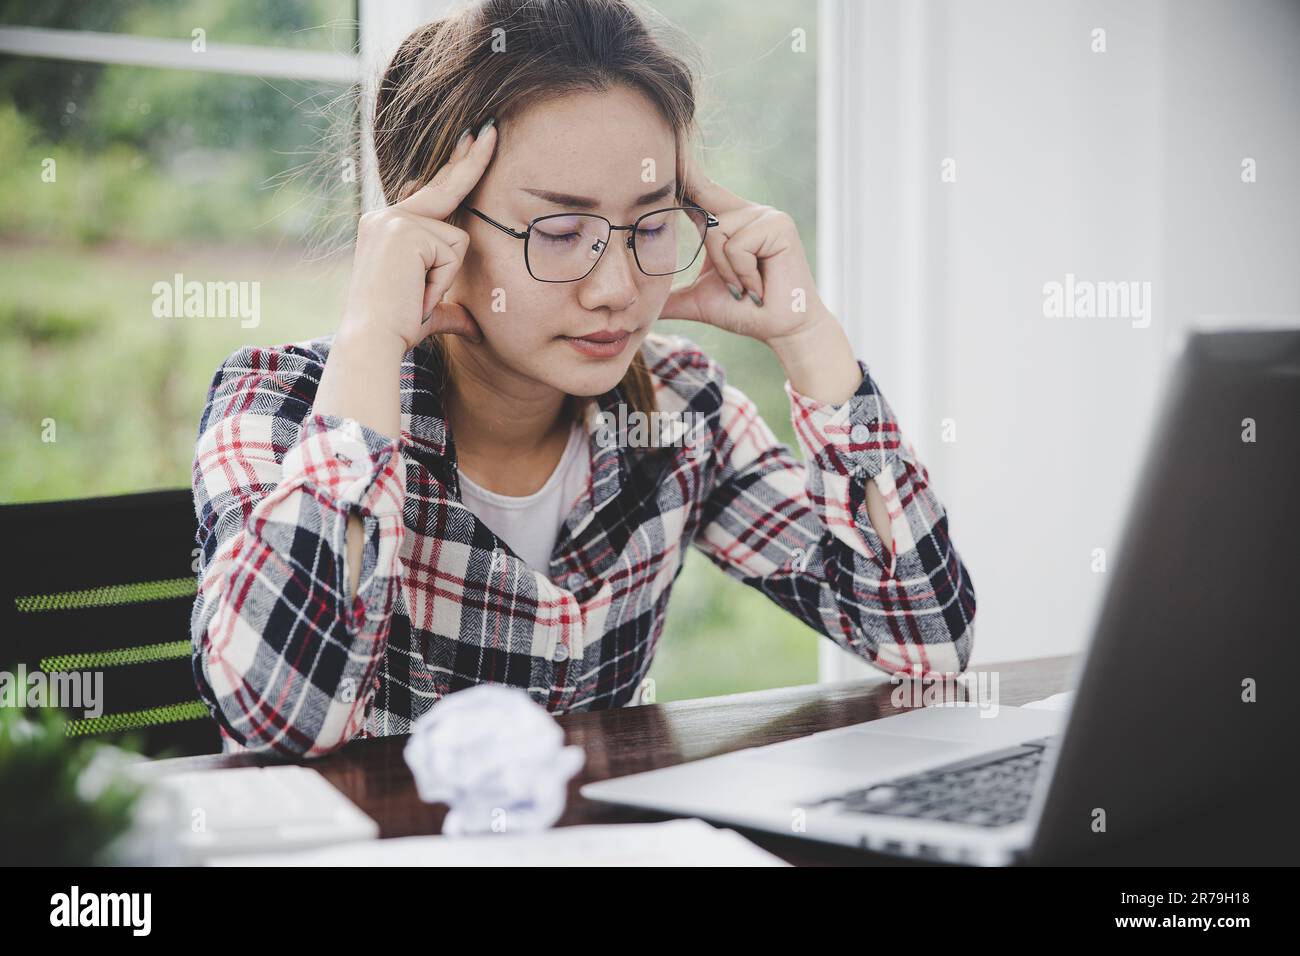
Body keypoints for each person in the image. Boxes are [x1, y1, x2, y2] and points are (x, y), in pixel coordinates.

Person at [190, 0, 975, 756]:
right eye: (562, 233)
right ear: (433, 228)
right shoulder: (282, 407)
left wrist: (809, 334)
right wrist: (370, 336)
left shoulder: (676, 408)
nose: (617, 288)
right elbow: (280, 720)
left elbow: (927, 643)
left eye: (652, 226)